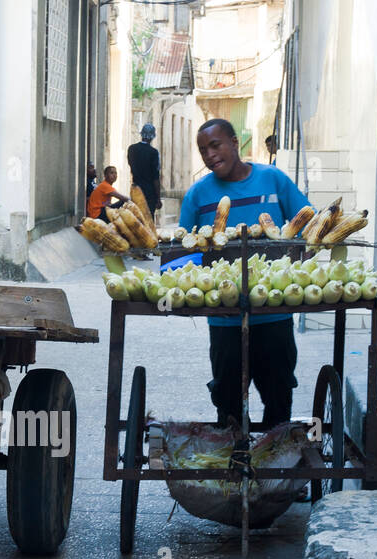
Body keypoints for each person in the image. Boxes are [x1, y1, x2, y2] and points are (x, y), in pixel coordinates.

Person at [179, 118, 310, 430]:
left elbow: (309, 229)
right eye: (202, 150)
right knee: (227, 402)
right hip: (223, 318)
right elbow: (181, 257)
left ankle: (275, 467)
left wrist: (297, 267)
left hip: (275, 315)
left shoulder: (273, 180)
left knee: (278, 396)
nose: (209, 154)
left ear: (236, 143)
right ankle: (233, 464)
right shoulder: (197, 196)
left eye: (215, 145)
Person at [127, 122, 162, 220]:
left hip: (136, 190)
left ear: (141, 134)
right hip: (149, 194)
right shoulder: (153, 153)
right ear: (152, 137)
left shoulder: (131, 149)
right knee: (148, 221)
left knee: (136, 220)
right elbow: (156, 177)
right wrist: (158, 199)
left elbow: (131, 166)